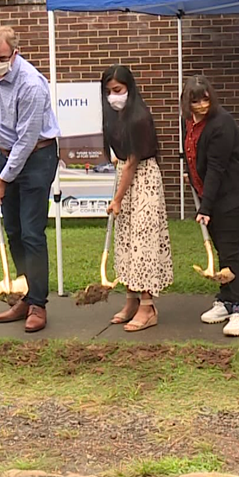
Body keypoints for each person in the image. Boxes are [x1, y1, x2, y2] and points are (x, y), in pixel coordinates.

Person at [0, 26, 61, 333]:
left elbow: (27, 141)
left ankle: (39, 303)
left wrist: (2, 179)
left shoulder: (32, 85)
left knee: (31, 231)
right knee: (13, 228)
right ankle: (25, 295)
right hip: (6, 152)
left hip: (37, 156)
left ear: (14, 53)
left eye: (0, 57)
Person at [182, 75, 239, 337]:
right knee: (221, 247)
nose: (202, 105)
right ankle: (226, 301)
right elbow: (193, 154)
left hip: (233, 194)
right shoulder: (188, 122)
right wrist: (192, 177)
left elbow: (216, 167)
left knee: (229, 250)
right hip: (211, 194)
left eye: (205, 99)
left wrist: (205, 207)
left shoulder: (221, 124)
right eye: (195, 101)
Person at [102, 64, 174, 331]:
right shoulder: (115, 117)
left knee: (143, 241)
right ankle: (131, 298)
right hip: (125, 177)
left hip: (142, 180)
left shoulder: (139, 117)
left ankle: (148, 306)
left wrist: (117, 198)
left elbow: (133, 162)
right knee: (127, 240)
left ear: (129, 89)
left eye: (118, 90)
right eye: (109, 91)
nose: (113, 96)